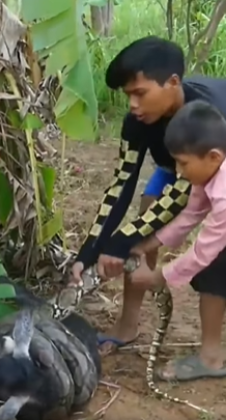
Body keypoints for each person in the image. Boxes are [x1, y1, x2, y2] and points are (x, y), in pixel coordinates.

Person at [69, 35, 226, 356]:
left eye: (140, 93)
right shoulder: (136, 123)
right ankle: (127, 324)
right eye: (128, 96)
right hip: (179, 167)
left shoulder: (211, 119)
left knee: (215, 252)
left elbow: (187, 198)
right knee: (144, 220)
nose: (133, 105)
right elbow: (120, 186)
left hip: (205, 169)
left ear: (172, 82)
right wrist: (90, 251)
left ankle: (210, 351)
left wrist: (123, 243)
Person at [129, 100, 226, 381]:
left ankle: (210, 358)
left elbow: (203, 252)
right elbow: (190, 214)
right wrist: (151, 242)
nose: (179, 172)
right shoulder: (209, 175)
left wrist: (161, 276)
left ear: (213, 157)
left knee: (213, 265)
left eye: (183, 163)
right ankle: (211, 354)